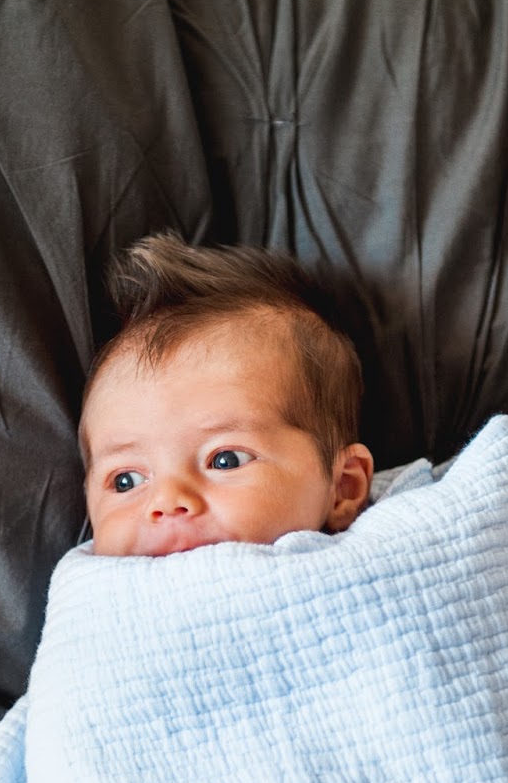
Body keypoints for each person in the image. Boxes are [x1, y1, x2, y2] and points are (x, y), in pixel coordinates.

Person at [78, 232, 375, 557]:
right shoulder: (88, 594)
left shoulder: (403, 541)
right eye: (126, 481)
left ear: (343, 487)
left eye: (225, 460)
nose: (167, 501)